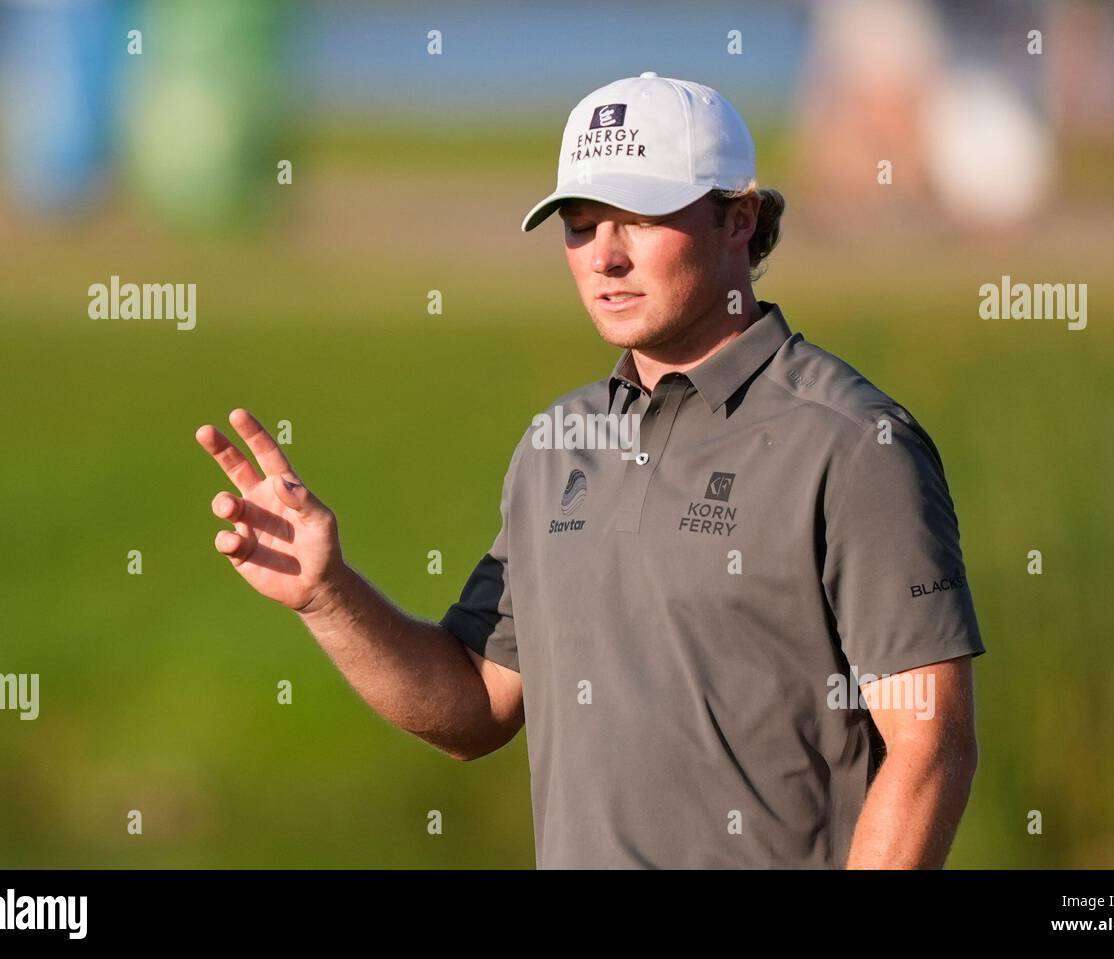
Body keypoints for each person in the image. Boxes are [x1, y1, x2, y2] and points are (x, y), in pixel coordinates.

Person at [195, 72, 986, 869]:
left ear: (739, 219)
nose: (605, 257)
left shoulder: (851, 442)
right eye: (580, 225)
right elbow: (475, 703)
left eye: (639, 218)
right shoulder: (556, 444)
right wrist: (328, 595)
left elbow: (930, 748)